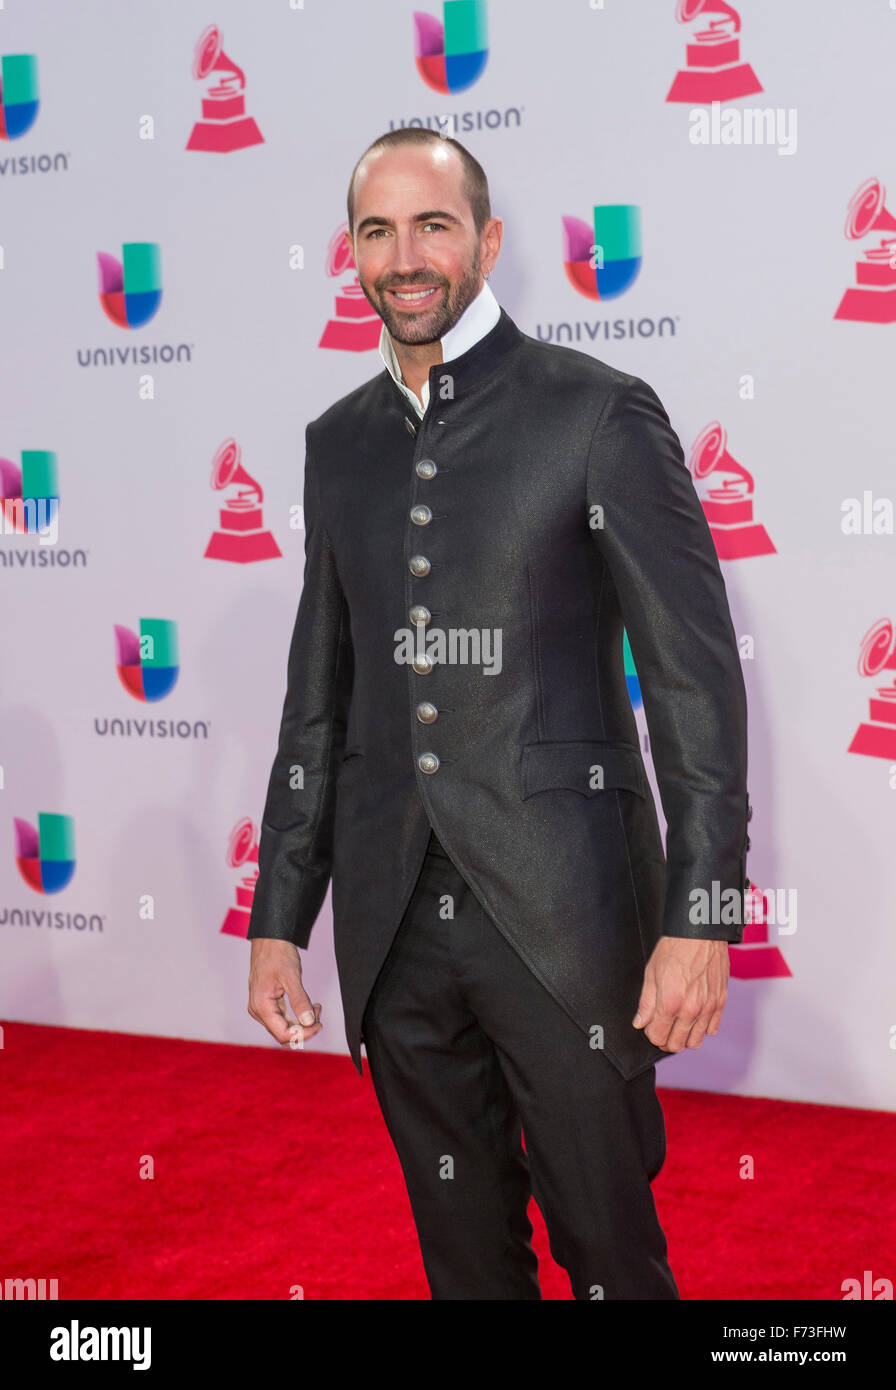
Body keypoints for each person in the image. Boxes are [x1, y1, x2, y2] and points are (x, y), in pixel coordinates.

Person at [247, 127, 750, 1300]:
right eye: (377, 230)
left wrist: (704, 913)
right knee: (463, 1260)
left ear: (488, 241)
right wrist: (281, 911)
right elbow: (316, 694)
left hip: (564, 921)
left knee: (608, 1258)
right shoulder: (337, 443)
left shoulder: (598, 413)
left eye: (432, 224)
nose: (404, 255)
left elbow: (692, 681)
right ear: (351, 253)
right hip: (393, 930)